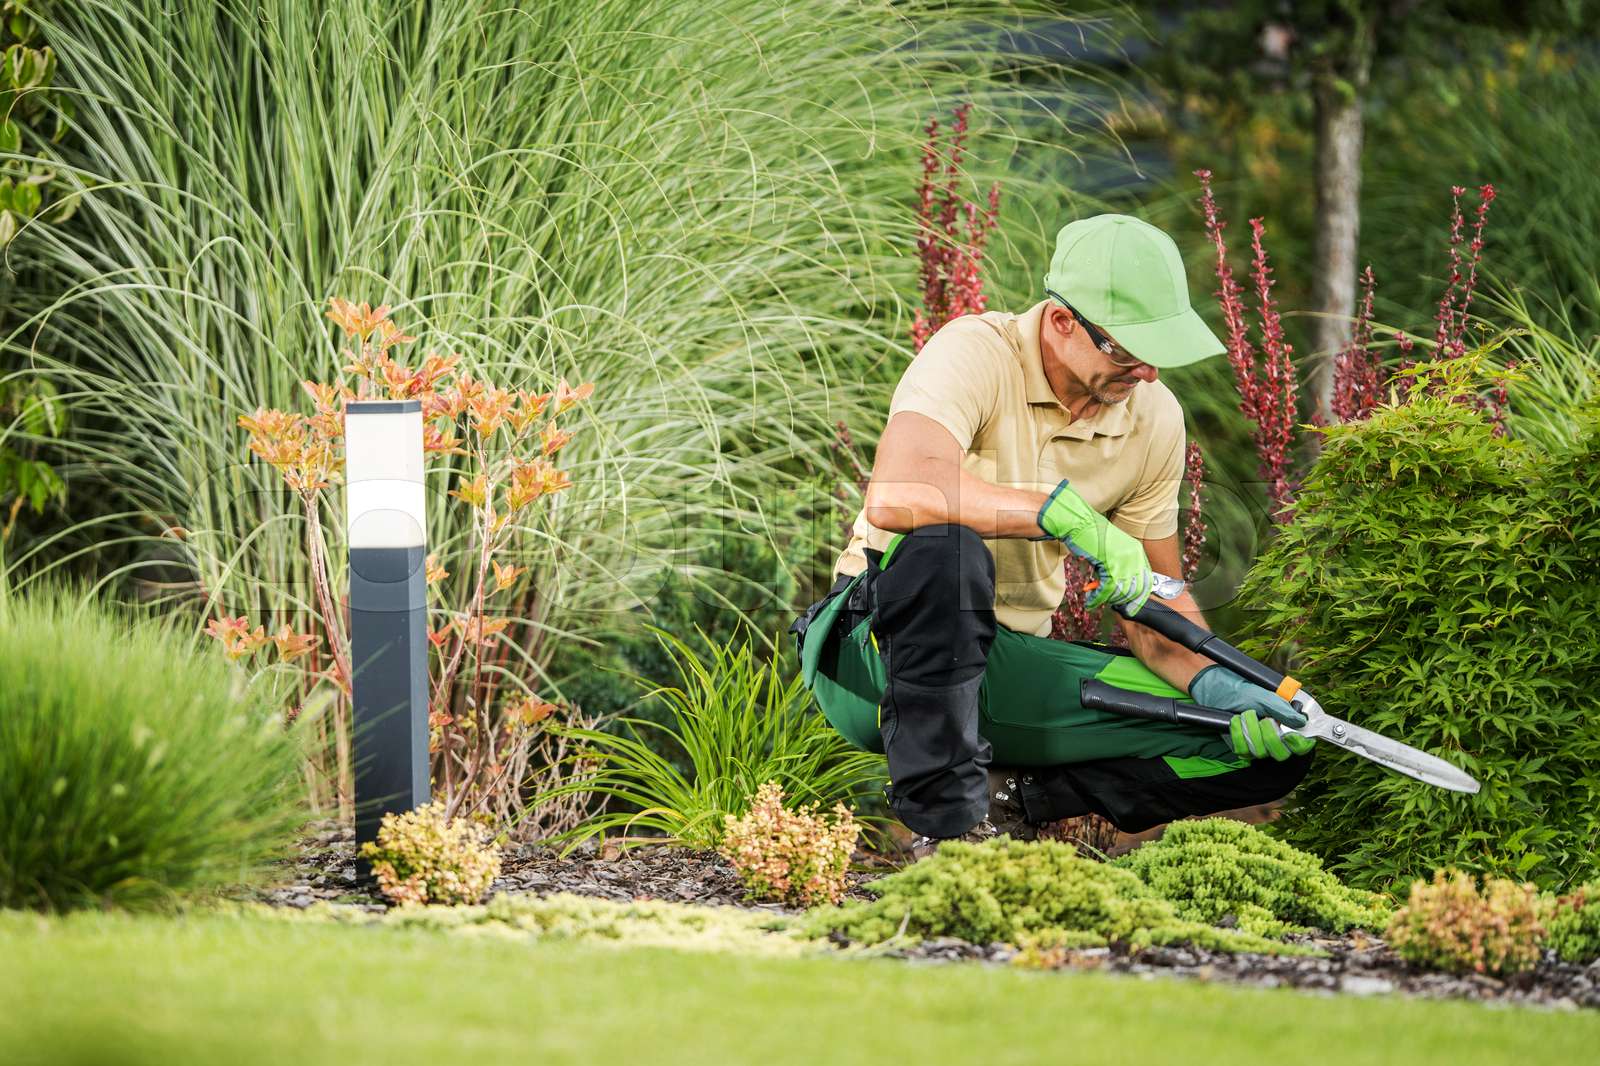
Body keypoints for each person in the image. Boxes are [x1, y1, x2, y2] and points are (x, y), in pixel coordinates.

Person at [788, 214, 1313, 860]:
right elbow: (899, 492)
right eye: (1126, 350)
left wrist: (1220, 685)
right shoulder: (976, 352)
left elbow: (1155, 610)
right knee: (945, 552)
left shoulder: (1154, 419)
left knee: (1258, 747)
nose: (1148, 372)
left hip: (1009, 668)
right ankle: (948, 834)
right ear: (1062, 322)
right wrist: (1062, 514)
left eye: (1158, 351)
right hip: (874, 657)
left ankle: (1010, 805)